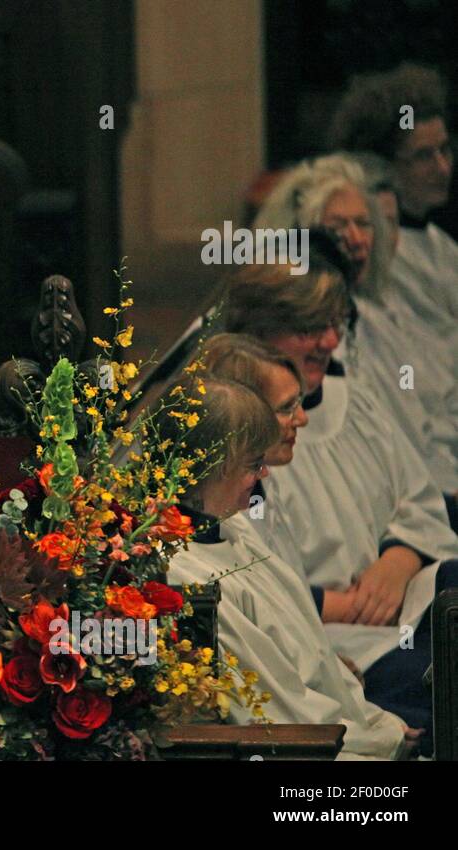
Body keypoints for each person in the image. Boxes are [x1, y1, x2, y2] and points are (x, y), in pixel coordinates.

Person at [220, 260, 458, 748]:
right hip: (339, 633)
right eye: (311, 328)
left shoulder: (356, 402)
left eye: (336, 324)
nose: (330, 342)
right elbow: (262, 588)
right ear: (258, 334)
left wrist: (400, 559)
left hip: (400, 598)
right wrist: (344, 605)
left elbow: (417, 500)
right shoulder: (245, 458)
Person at [159, 375, 411, 760]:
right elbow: (273, 710)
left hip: (343, 719)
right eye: (253, 464)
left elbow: (305, 647)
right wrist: (380, 737)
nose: (265, 475)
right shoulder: (189, 576)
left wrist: (372, 719)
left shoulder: (232, 526)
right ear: (213, 465)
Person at [252, 154, 458, 498]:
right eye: (338, 226)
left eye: (364, 223)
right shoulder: (297, 343)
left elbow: (425, 422)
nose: (356, 239)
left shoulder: (384, 314)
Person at [328, 63, 458, 335]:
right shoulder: (372, 254)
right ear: (383, 165)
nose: (443, 167)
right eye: (423, 156)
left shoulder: (442, 245)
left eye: (445, 149)